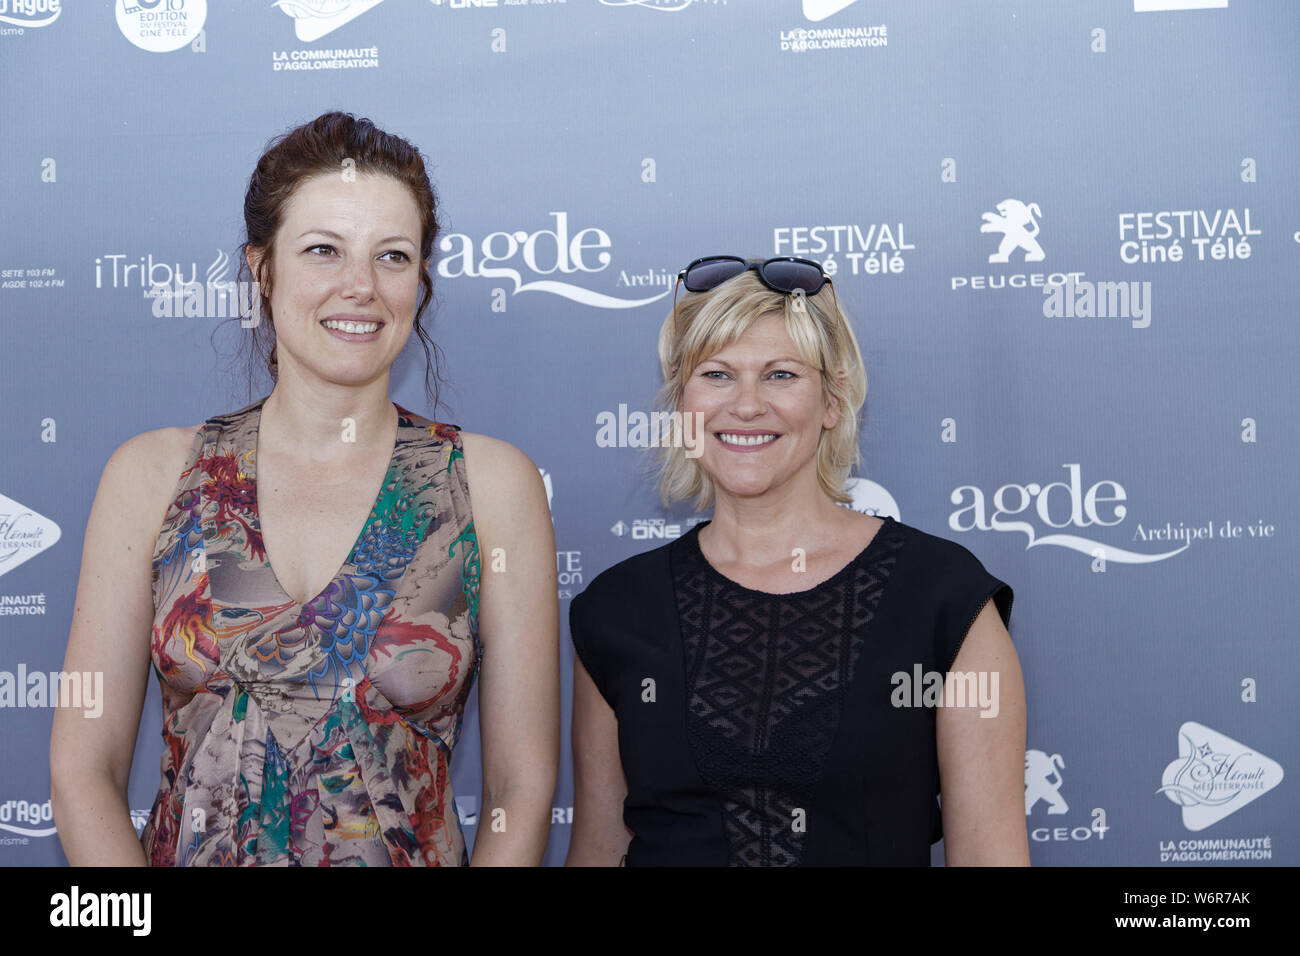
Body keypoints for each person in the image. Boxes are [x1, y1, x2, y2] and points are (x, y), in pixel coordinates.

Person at [49, 112, 559, 866]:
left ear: (420, 280)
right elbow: (81, 772)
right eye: (324, 250)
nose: (360, 287)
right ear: (262, 269)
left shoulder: (487, 484)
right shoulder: (154, 476)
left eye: (392, 256)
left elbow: (521, 788)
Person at [566, 256, 1028, 866]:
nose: (747, 405)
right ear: (682, 403)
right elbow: (599, 849)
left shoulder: (943, 599)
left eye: (781, 374)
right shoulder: (617, 609)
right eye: (718, 374)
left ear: (833, 401)